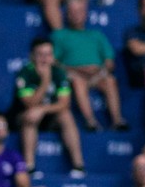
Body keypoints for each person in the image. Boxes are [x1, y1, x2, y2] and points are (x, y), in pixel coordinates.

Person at [50, 0, 128, 131]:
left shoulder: (97, 35)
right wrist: (76, 70)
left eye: (79, 12)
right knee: (78, 81)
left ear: (86, 14)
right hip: (73, 75)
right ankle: (91, 122)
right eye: (72, 12)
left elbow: (109, 62)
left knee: (110, 80)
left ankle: (117, 120)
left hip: (98, 74)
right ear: (66, 14)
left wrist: (99, 70)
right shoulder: (59, 35)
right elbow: (53, 62)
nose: (76, 15)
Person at [7, 36, 86, 178]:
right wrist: (45, 81)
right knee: (31, 116)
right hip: (23, 116)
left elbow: (64, 103)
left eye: (48, 54)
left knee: (66, 115)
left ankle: (78, 166)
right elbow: (29, 104)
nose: (45, 59)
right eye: (40, 55)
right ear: (32, 56)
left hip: (48, 116)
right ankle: (29, 168)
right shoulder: (25, 73)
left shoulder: (59, 72)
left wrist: (42, 109)